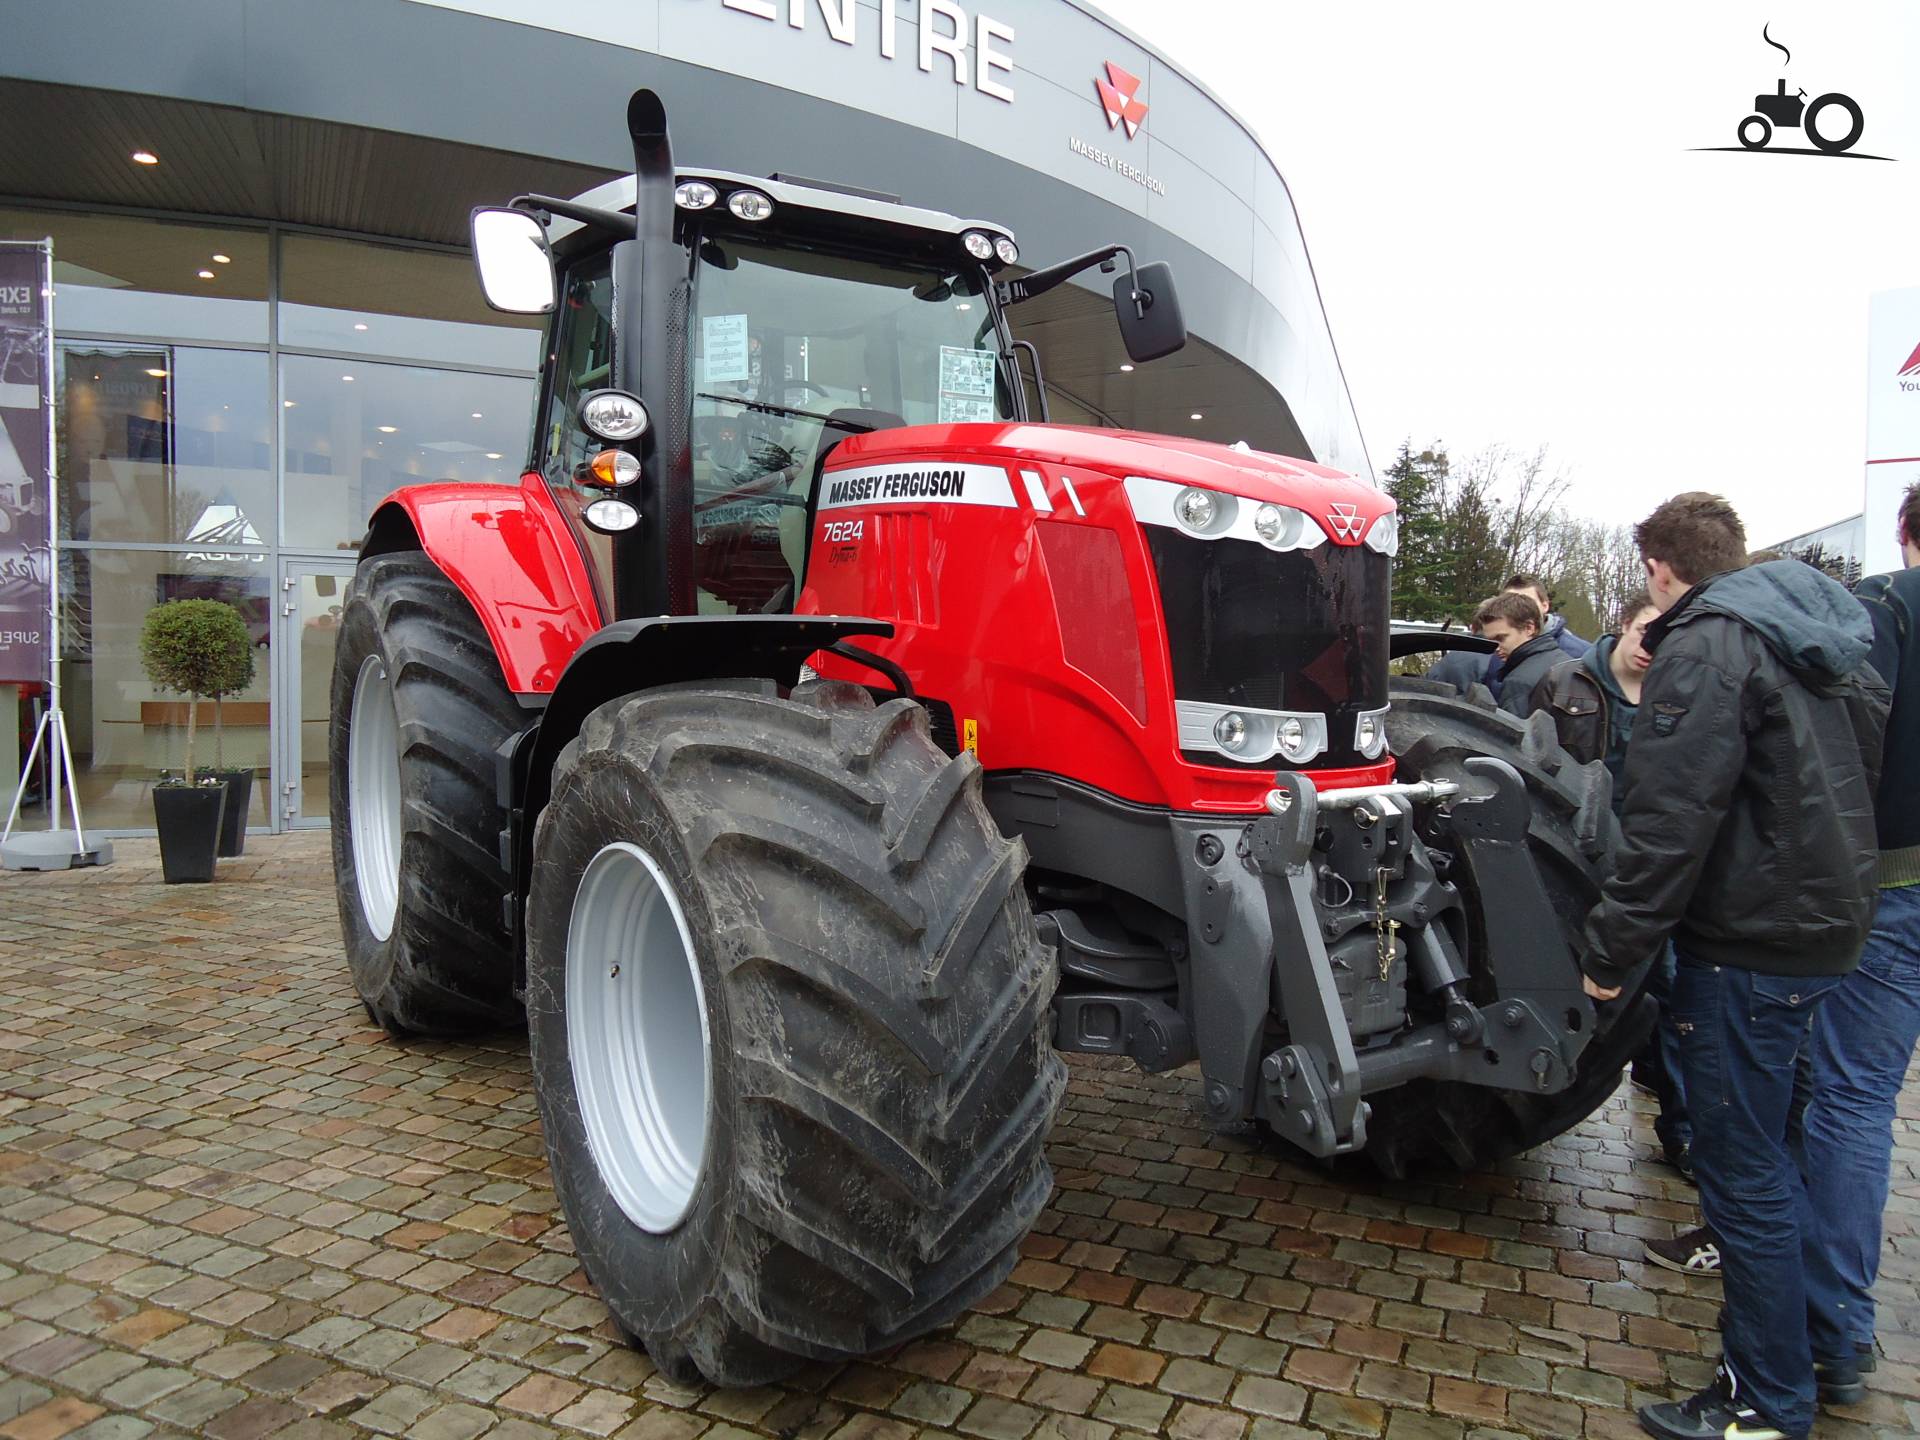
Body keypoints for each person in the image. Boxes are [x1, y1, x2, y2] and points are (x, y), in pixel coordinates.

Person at [1576, 493, 1887, 1440]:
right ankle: (1827, 1351)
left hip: (1745, 945)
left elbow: (1669, 819)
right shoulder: (1821, 632)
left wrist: (1611, 955)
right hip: (1825, 927)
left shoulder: (1707, 645)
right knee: (1788, 1148)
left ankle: (1765, 1397)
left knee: (1742, 1171)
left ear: (1660, 570)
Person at [1797, 480, 1920, 1397]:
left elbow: (1846, 757)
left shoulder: (1886, 609)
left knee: (1849, 1099)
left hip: (1897, 887)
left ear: (1907, 532)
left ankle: (1833, 1332)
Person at [1531, 592, 1694, 1176]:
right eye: (1646, 631)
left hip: (1650, 868)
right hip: (1583, 863)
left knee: (1673, 993)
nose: (1653, 647)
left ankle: (1682, 1129)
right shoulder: (1563, 682)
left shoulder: (1683, 695)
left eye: (1666, 637)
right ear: (1625, 624)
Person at [1472, 591, 1560, 717]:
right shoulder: (1565, 662)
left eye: (1500, 638)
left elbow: (1514, 734)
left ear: (1529, 628)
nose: (1495, 648)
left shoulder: (1518, 682)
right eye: (1491, 641)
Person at [1505, 571, 1592, 658]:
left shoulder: (1582, 654)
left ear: (1545, 606)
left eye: (1527, 603)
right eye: (1510, 603)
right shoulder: (1494, 651)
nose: (1519, 610)